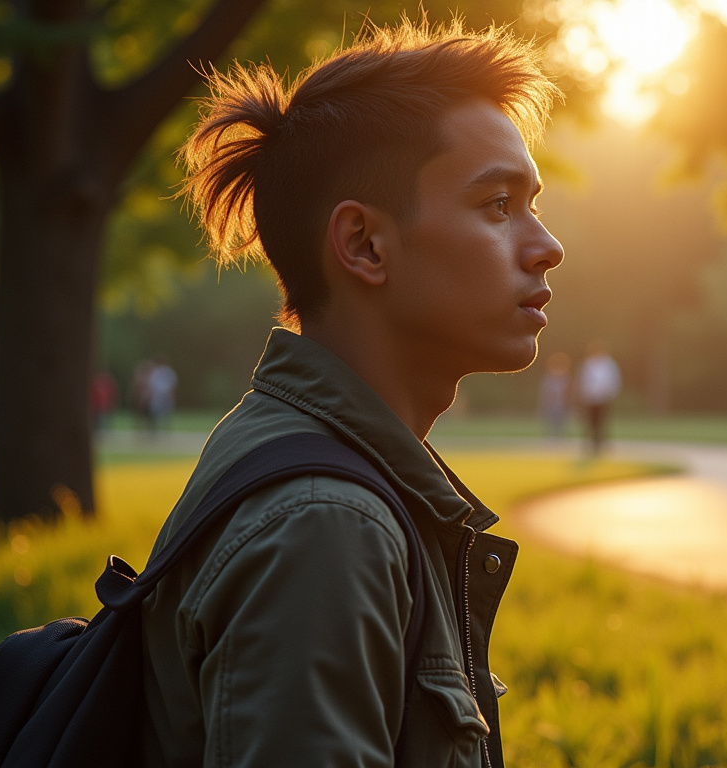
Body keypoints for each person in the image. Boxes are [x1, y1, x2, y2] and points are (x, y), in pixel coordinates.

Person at [143, 23, 563, 768]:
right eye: (499, 205)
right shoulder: (324, 526)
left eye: (531, 204)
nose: (546, 246)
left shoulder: (321, 469)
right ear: (365, 244)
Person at [578, 340, 620, 457]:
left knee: (602, 422)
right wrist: (585, 394)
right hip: (590, 399)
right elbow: (584, 380)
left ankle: (601, 444)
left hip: (603, 398)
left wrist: (610, 393)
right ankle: (591, 444)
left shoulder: (609, 364)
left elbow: (614, 380)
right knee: (590, 422)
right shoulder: (588, 364)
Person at [538, 351, 572, 439]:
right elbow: (546, 391)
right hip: (551, 402)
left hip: (562, 402)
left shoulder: (565, 378)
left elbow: (568, 391)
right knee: (550, 419)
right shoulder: (549, 378)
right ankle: (551, 436)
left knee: (561, 420)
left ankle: (560, 436)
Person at [147, 356, 177, 432]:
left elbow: (151, 385)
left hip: (162, 396)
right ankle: (162, 429)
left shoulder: (158, 372)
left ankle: (159, 429)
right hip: (161, 396)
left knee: (161, 413)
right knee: (160, 413)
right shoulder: (167, 371)